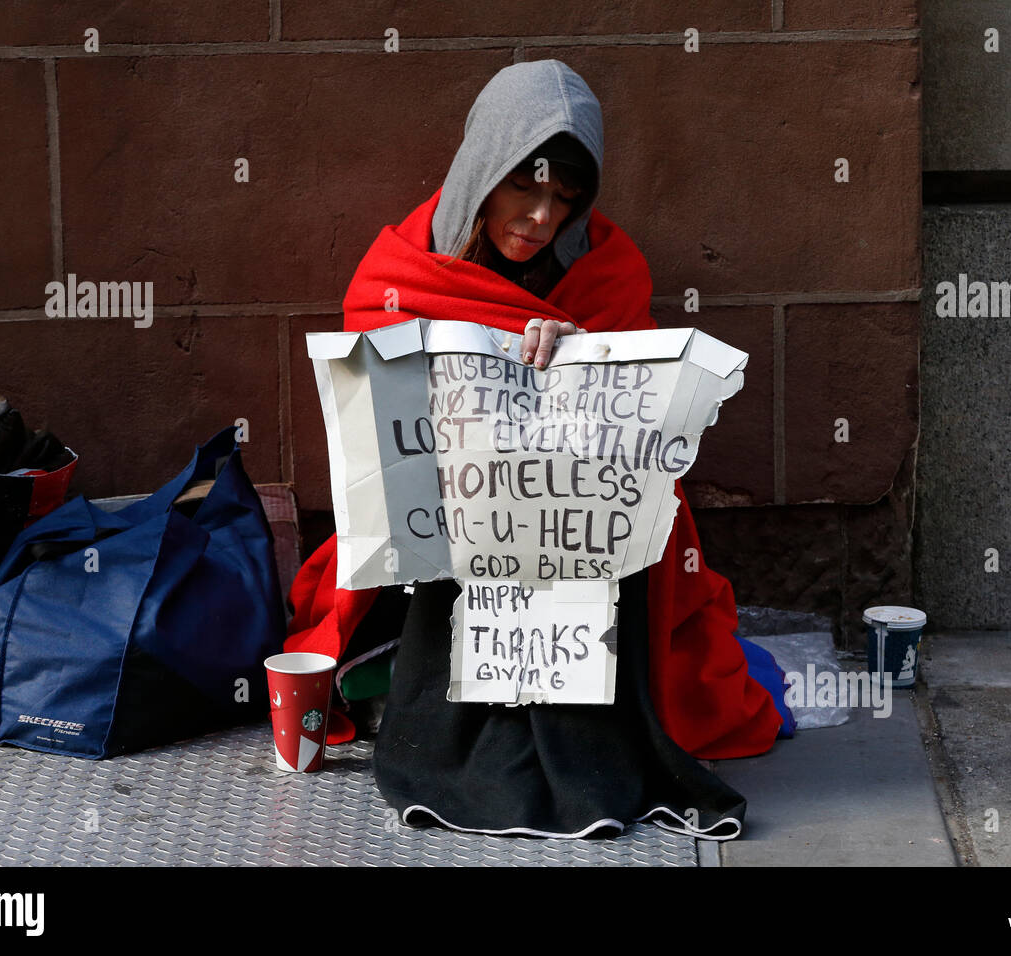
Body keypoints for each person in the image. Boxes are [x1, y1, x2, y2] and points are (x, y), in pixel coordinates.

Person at [288, 59, 789, 839]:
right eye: (525, 188)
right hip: (452, 520)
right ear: (483, 173)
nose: (541, 219)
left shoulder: (607, 268)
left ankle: (584, 748)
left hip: (573, 516)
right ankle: (446, 739)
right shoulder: (403, 269)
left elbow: (641, 425)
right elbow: (380, 421)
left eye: (565, 200)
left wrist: (581, 358)